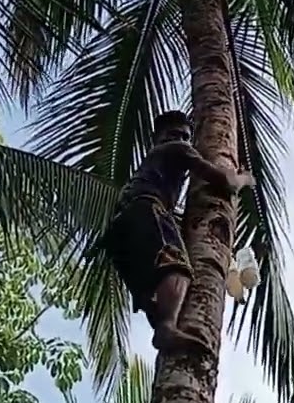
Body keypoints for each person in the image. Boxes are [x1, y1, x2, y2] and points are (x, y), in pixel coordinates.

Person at [100, 110, 254, 351]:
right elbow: (227, 183)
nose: (181, 139)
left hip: (122, 228)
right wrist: (244, 178)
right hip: (146, 209)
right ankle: (167, 328)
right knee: (176, 267)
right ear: (159, 137)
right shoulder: (176, 150)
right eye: (175, 134)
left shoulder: (153, 164)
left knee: (152, 287)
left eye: (185, 136)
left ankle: (165, 326)